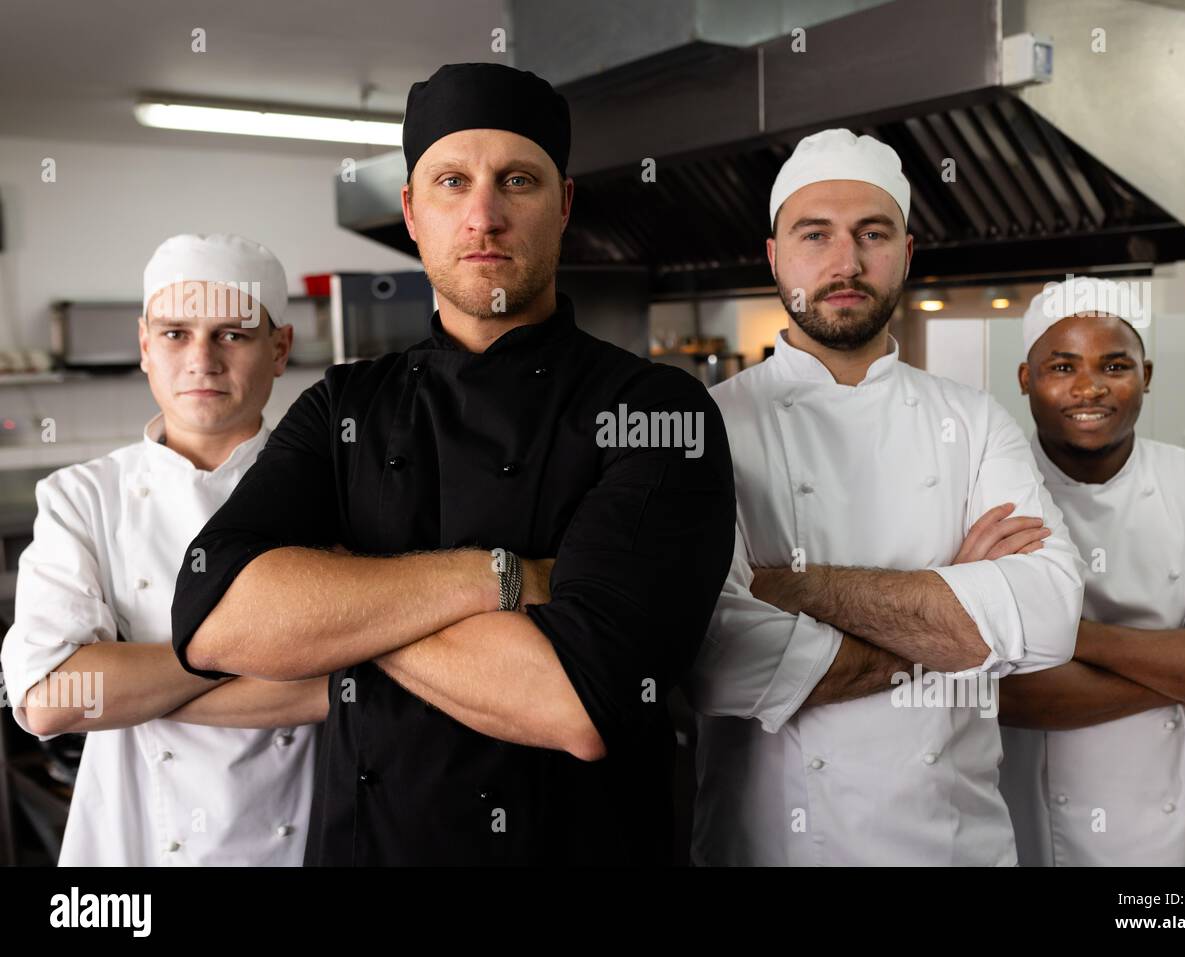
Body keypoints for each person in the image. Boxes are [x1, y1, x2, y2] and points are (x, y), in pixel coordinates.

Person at [169, 63, 736, 866]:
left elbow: (576, 702)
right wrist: (502, 578)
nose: (484, 215)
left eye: (517, 180)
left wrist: (336, 601)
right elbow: (212, 618)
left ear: (565, 205)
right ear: (410, 211)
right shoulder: (343, 407)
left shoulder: (657, 411)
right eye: (450, 181)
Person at [684, 129, 1084, 865]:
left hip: (956, 847)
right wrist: (961, 615)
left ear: (906, 253)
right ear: (774, 257)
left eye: (873, 234)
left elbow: (1051, 616)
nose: (846, 263)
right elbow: (717, 657)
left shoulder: (973, 418)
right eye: (817, 235)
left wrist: (791, 587)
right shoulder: (707, 426)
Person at [0, 233, 324, 865]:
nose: (202, 360)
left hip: (306, 839)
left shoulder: (337, 488)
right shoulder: (83, 498)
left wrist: (136, 684)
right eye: (176, 334)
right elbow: (48, 700)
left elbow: (358, 690)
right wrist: (265, 658)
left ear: (280, 348)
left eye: (232, 334)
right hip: (143, 846)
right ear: (145, 346)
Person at [997, 277, 1185, 866]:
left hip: (1184, 846)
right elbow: (1007, 696)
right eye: (1062, 367)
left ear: (1147, 376)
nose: (1089, 387)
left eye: (1115, 365)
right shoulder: (988, 491)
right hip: (1031, 837)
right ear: (1026, 379)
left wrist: (1067, 635)